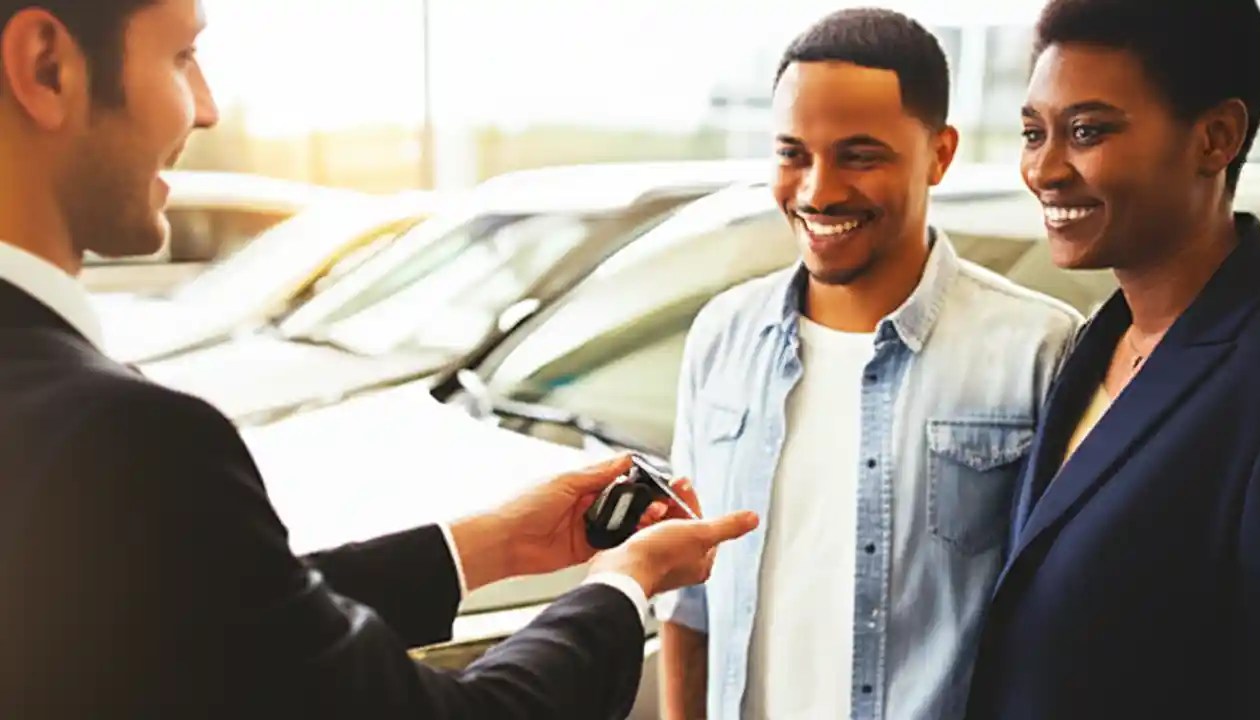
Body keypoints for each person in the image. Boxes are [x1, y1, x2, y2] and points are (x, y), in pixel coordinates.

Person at [0, 1, 759, 717]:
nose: (206, 108)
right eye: (181, 56)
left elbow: (223, 613)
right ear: (46, 68)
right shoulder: (124, 437)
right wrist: (623, 585)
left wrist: (491, 543)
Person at [655, 8, 1081, 720]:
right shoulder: (721, 338)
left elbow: (1058, 632)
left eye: (859, 155)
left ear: (939, 154)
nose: (818, 190)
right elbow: (688, 599)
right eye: (793, 153)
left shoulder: (1040, 351)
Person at [965, 1, 1260, 718]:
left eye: (1086, 131)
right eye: (1032, 132)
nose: (1044, 169)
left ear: (1216, 137)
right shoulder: (1093, 346)